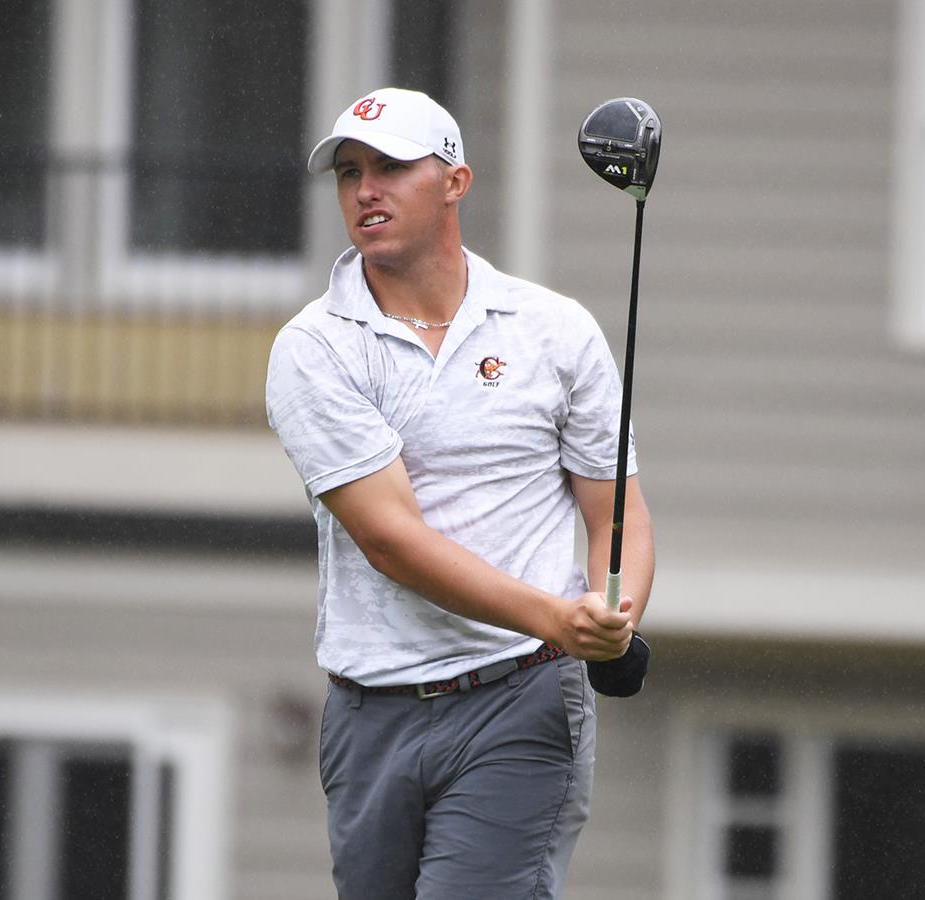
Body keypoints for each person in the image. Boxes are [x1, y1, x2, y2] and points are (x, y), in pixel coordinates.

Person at [265, 87, 656, 900]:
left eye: (392, 167)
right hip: (369, 711)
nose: (365, 190)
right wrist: (560, 616)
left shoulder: (554, 330)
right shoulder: (314, 349)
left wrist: (612, 619)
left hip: (520, 693)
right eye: (348, 172)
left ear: (455, 181)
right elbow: (390, 540)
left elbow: (615, 513)